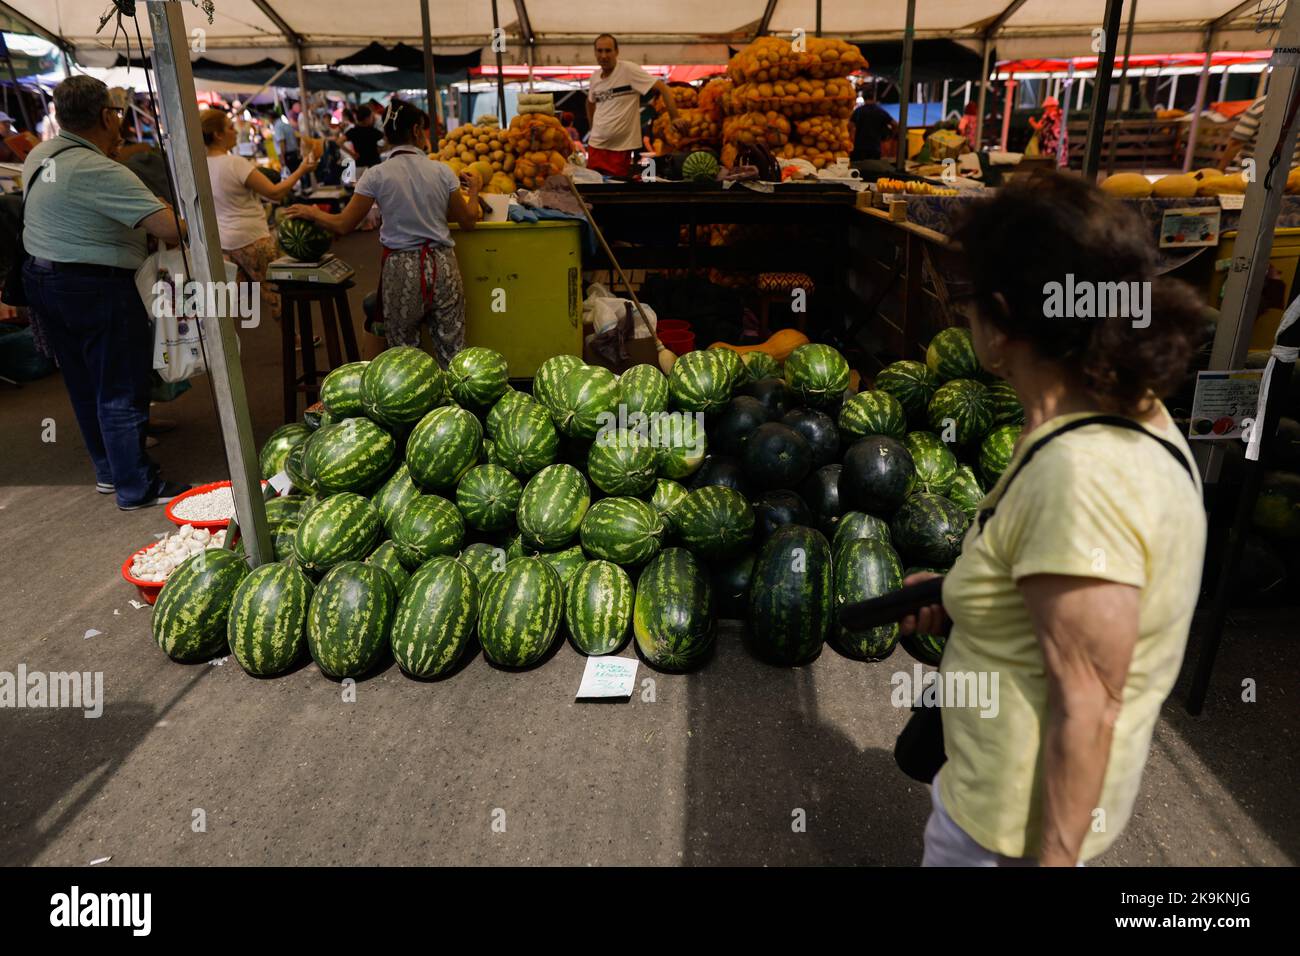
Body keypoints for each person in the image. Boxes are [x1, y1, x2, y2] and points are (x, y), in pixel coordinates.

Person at [901, 172, 1208, 866]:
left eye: (969, 300)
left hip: (1004, 834)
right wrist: (967, 600)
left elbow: (1090, 701)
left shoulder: (1082, 478)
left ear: (1003, 317)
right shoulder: (1126, 417)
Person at [21, 75, 190, 510]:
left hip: (44, 281)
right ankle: (136, 486)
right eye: (116, 114)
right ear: (106, 116)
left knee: (82, 381)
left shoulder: (41, 156)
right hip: (94, 287)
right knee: (118, 385)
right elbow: (171, 228)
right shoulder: (101, 171)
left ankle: (108, 471)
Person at [285, 101, 479, 363]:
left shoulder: (376, 175)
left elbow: (343, 224)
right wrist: (475, 189)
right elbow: (468, 221)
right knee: (453, 349)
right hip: (444, 264)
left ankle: (414, 401)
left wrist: (313, 213)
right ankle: (454, 402)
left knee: (405, 353)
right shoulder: (442, 172)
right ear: (417, 130)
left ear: (386, 137)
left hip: (401, 268)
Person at [202, 109, 317, 323]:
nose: (235, 131)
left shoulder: (199, 167)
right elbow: (275, 193)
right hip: (252, 239)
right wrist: (302, 169)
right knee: (278, 292)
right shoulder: (235, 163)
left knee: (234, 307)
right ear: (218, 134)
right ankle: (297, 340)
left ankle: (230, 353)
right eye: (229, 127)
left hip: (222, 242)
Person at [586, 33, 686, 177]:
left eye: (608, 50)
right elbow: (590, 101)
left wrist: (675, 117)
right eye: (599, 51)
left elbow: (663, 88)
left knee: (614, 191)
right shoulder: (595, 77)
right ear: (595, 52)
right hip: (595, 145)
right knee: (595, 191)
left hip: (620, 148)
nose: (603, 55)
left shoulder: (628, 70)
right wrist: (592, 127)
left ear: (616, 52)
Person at [1222, 95, 1300, 172]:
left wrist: (1219, 170)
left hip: (1253, 173)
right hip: (1290, 175)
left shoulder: (1262, 104)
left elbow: (1236, 142)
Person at [849, 89, 897, 162]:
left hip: (859, 148)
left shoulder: (858, 111)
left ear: (864, 99)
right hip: (875, 148)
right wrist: (891, 138)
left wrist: (852, 139)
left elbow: (850, 126)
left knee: (860, 171)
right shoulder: (880, 111)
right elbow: (895, 124)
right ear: (874, 98)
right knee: (873, 170)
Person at [341, 102, 384, 171]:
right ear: (367, 118)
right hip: (374, 165)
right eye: (371, 117)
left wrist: (352, 154)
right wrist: (381, 149)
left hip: (360, 165)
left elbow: (339, 141)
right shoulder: (373, 131)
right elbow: (387, 139)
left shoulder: (353, 131)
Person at [1028, 95, 1066, 166]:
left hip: (1051, 142)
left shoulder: (1048, 115)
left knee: (1047, 159)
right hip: (1061, 142)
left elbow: (1038, 127)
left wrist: (1031, 121)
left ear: (1049, 106)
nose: (1045, 109)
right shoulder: (1061, 113)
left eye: (1046, 108)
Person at [273, 104, 301, 173]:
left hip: (288, 154)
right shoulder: (286, 124)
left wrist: (282, 157)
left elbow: (282, 141)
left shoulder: (278, 126)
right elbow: (296, 138)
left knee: (293, 175)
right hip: (294, 153)